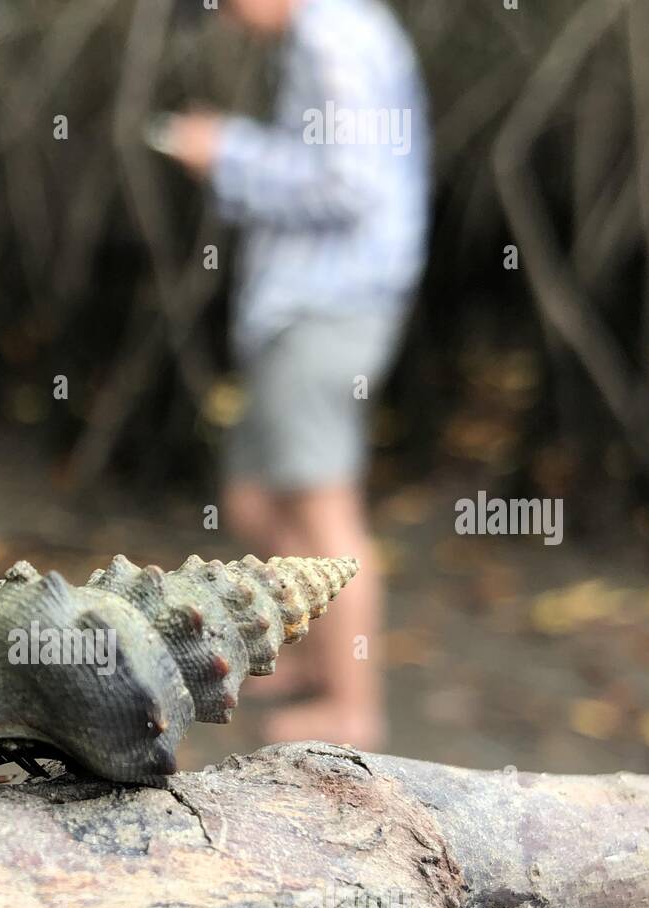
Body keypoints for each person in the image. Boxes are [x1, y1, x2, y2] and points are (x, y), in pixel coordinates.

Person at [165, 0, 430, 750]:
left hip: (331, 305)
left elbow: (349, 183)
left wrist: (230, 153)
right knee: (253, 496)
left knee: (323, 509)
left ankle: (353, 710)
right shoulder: (329, 36)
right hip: (297, 311)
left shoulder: (337, 37)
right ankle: (312, 661)